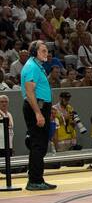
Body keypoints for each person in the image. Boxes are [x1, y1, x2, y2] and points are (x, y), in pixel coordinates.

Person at [21, 40, 55, 191]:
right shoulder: (32, 67)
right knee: (38, 144)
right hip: (36, 107)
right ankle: (34, 180)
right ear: (34, 52)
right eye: (43, 51)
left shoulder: (36, 66)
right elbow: (29, 93)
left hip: (41, 106)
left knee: (40, 145)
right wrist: (38, 113)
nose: (46, 53)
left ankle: (37, 178)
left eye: (47, 51)